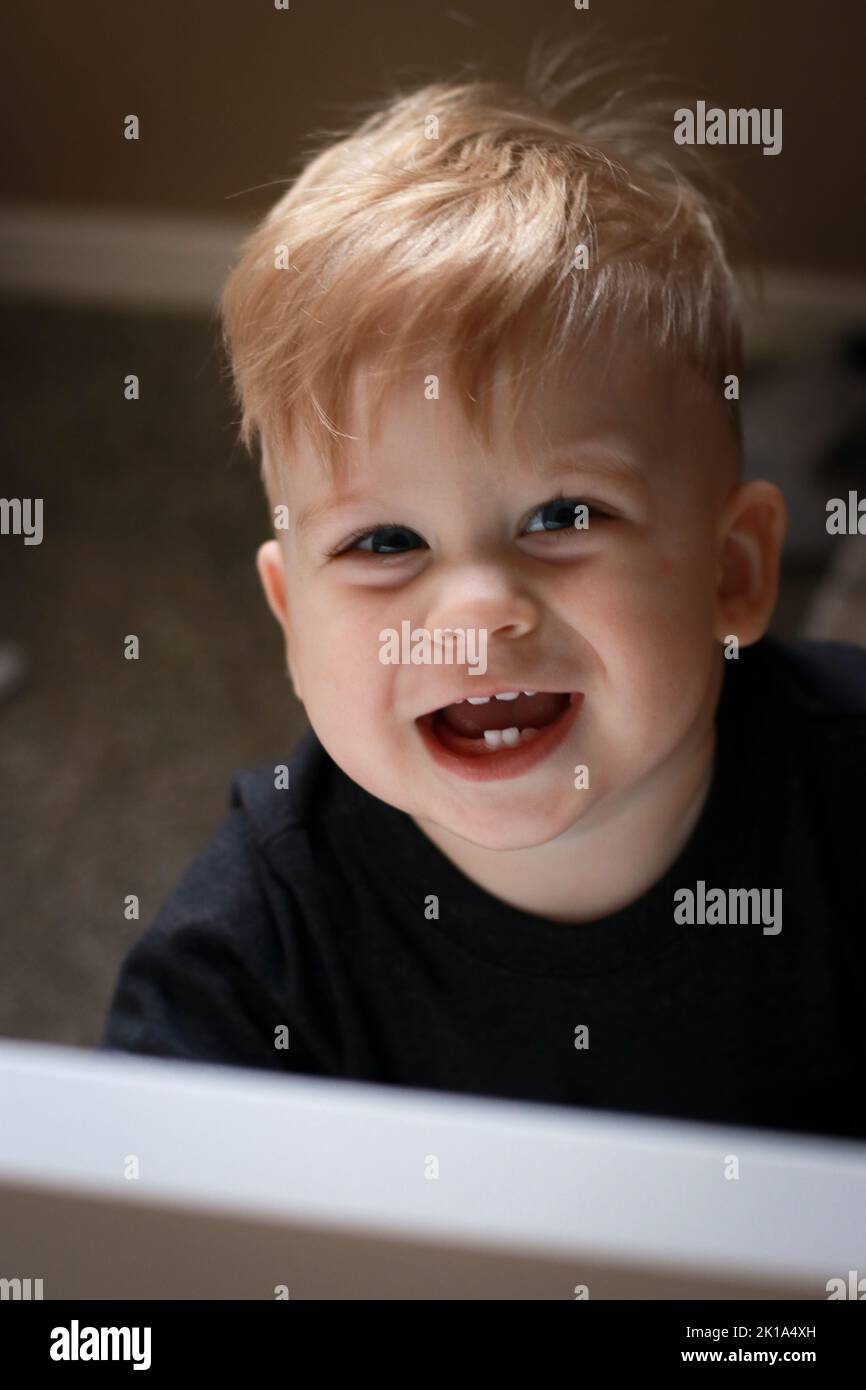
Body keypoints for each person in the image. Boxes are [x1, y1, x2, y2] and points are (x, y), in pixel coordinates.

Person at [101, 50, 866, 1139]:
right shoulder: (261, 943)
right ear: (290, 622)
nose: (472, 614)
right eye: (382, 540)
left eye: (562, 516)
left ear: (729, 571)